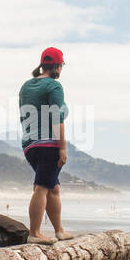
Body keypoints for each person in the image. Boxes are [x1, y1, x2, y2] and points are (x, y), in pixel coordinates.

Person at [18, 46, 74, 243]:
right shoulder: (54, 87)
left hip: (29, 145)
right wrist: (62, 148)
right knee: (42, 187)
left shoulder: (26, 86)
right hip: (48, 144)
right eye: (61, 66)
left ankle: (59, 230)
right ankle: (34, 233)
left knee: (53, 187)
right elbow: (56, 118)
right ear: (57, 66)